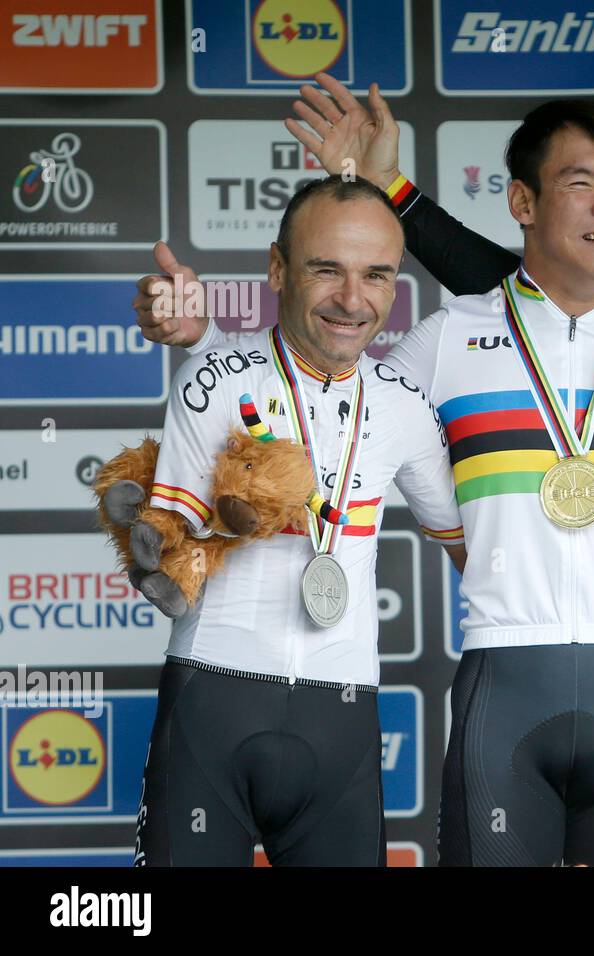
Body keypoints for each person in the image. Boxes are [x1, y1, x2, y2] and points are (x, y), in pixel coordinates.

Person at [140, 103, 594, 866]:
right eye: (582, 182)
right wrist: (204, 342)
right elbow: (319, 392)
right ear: (522, 201)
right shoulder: (449, 336)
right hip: (501, 686)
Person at [125, 175, 465, 865]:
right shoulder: (214, 379)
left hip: (341, 715)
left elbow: (472, 549)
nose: (353, 298)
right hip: (209, 698)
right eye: (326, 269)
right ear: (277, 267)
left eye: (377, 275)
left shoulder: (403, 406)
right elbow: (164, 565)